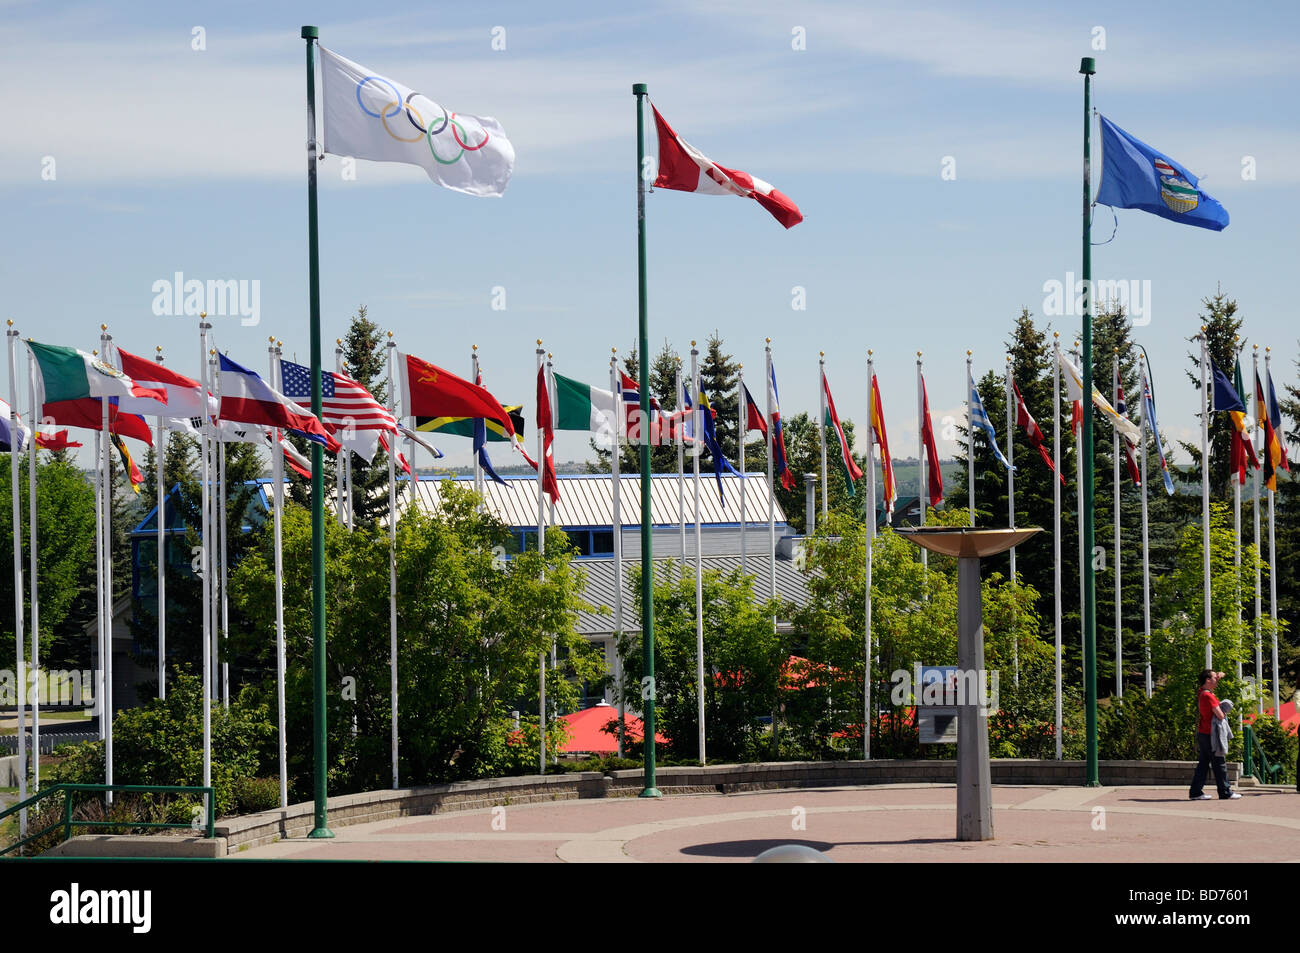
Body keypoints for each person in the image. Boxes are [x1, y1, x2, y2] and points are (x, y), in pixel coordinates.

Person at [1189, 670, 1241, 800]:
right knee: (1219, 763)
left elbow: (1210, 685)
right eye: (1214, 678)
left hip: (1204, 733)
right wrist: (1225, 708)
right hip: (1212, 734)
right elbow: (1220, 715)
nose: (1217, 681)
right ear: (1207, 680)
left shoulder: (1202, 692)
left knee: (1204, 764)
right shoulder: (1209, 696)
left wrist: (1217, 676)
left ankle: (1195, 792)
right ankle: (1225, 792)